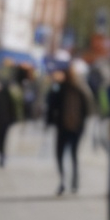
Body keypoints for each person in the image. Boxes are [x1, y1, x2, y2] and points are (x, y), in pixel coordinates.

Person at [45, 63, 94, 195]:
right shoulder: (65, 88)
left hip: (71, 127)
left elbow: (52, 106)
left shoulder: (72, 89)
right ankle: (69, 182)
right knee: (68, 155)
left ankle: (69, 182)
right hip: (70, 127)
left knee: (67, 154)